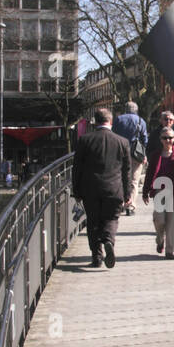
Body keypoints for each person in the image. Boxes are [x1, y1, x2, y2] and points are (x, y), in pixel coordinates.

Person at [72, 107, 132, 269]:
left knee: (93, 222)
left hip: (90, 189)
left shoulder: (85, 140)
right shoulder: (122, 142)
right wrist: (128, 193)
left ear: (95, 122)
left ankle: (97, 257)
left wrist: (76, 191)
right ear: (111, 122)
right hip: (114, 189)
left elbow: (77, 168)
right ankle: (108, 240)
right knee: (111, 218)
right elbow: (127, 171)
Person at [143, 127, 174, 258]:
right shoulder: (156, 155)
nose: (168, 140)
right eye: (165, 138)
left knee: (172, 221)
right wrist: (145, 192)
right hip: (159, 190)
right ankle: (160, 239)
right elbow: (149, 173)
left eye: (170, 138)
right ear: (161, 140)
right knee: (159, 220)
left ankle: (169, 251)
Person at [113, 100, 148, 214]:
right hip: (135, 153)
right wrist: (144, 155)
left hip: (120, 152)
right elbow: (144, 139)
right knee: (134, 180)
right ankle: (131, 205)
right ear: (136, 110)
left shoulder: (118, 119)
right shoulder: (140, 121)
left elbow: (113, 135)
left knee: (121, 178)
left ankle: (121, 202)